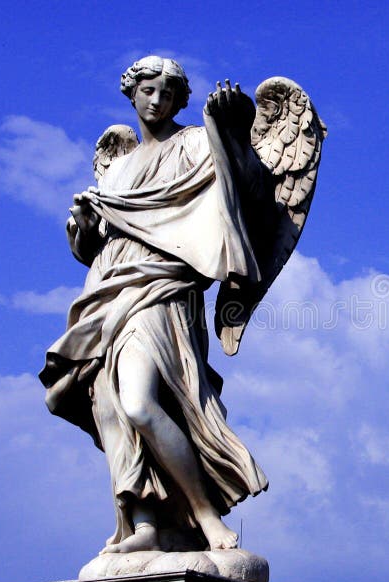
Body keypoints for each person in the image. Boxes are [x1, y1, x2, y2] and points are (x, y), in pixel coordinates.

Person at [39, 56, 271, 553]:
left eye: (168, 93)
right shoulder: (118, 167)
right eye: (148, 89)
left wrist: (229, 131)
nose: (157, 100)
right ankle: (144, 523)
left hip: (162, 289)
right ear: (132, 93)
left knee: (142, 403)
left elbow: (250, 192)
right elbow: (92, 248)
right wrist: (83, 223)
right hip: (107, 290)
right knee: (111, 412)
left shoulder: (192, 144)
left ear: (179, 100)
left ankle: (206, 518)